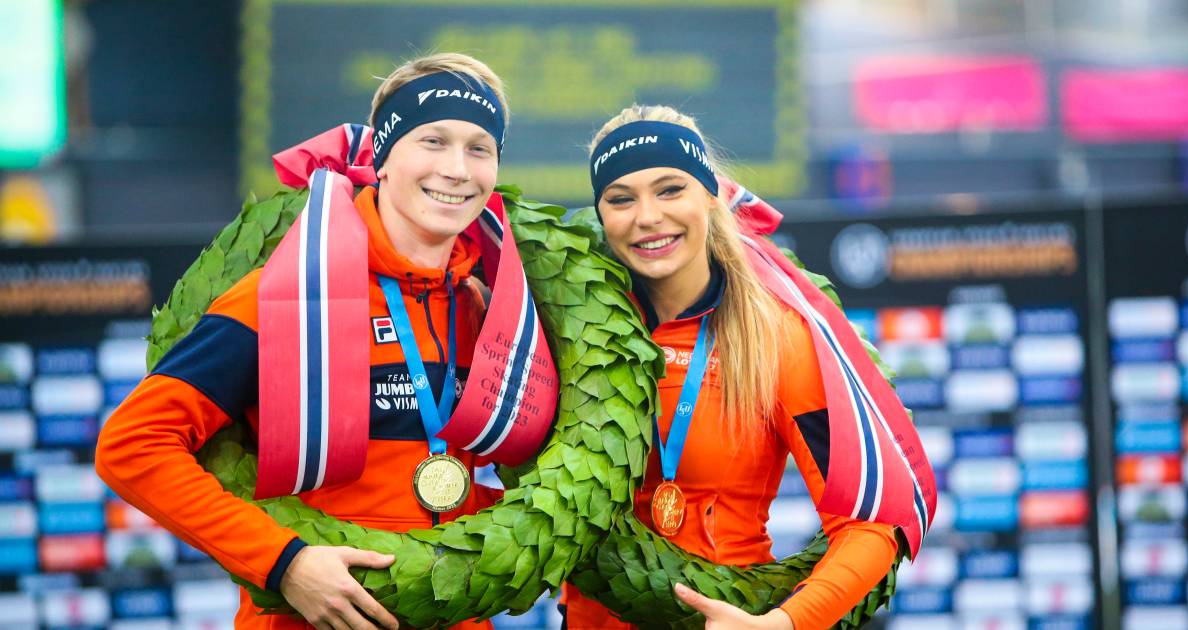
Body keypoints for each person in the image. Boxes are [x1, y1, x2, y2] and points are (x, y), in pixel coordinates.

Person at [95, 53, 557, 630]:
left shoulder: (491, 314)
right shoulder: (291, 292)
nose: (458, 169)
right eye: (433, 141)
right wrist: (284, 562)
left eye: (479, 148)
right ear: (384, 157)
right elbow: (132, 446)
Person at [561, 105, 907, 629]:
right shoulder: (566, 328)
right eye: (621, 199)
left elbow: (872, 520)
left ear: (710, 195)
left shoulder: (774, 335)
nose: (647, 216)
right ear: (601, 213)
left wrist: (785, 624)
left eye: (670, 189)